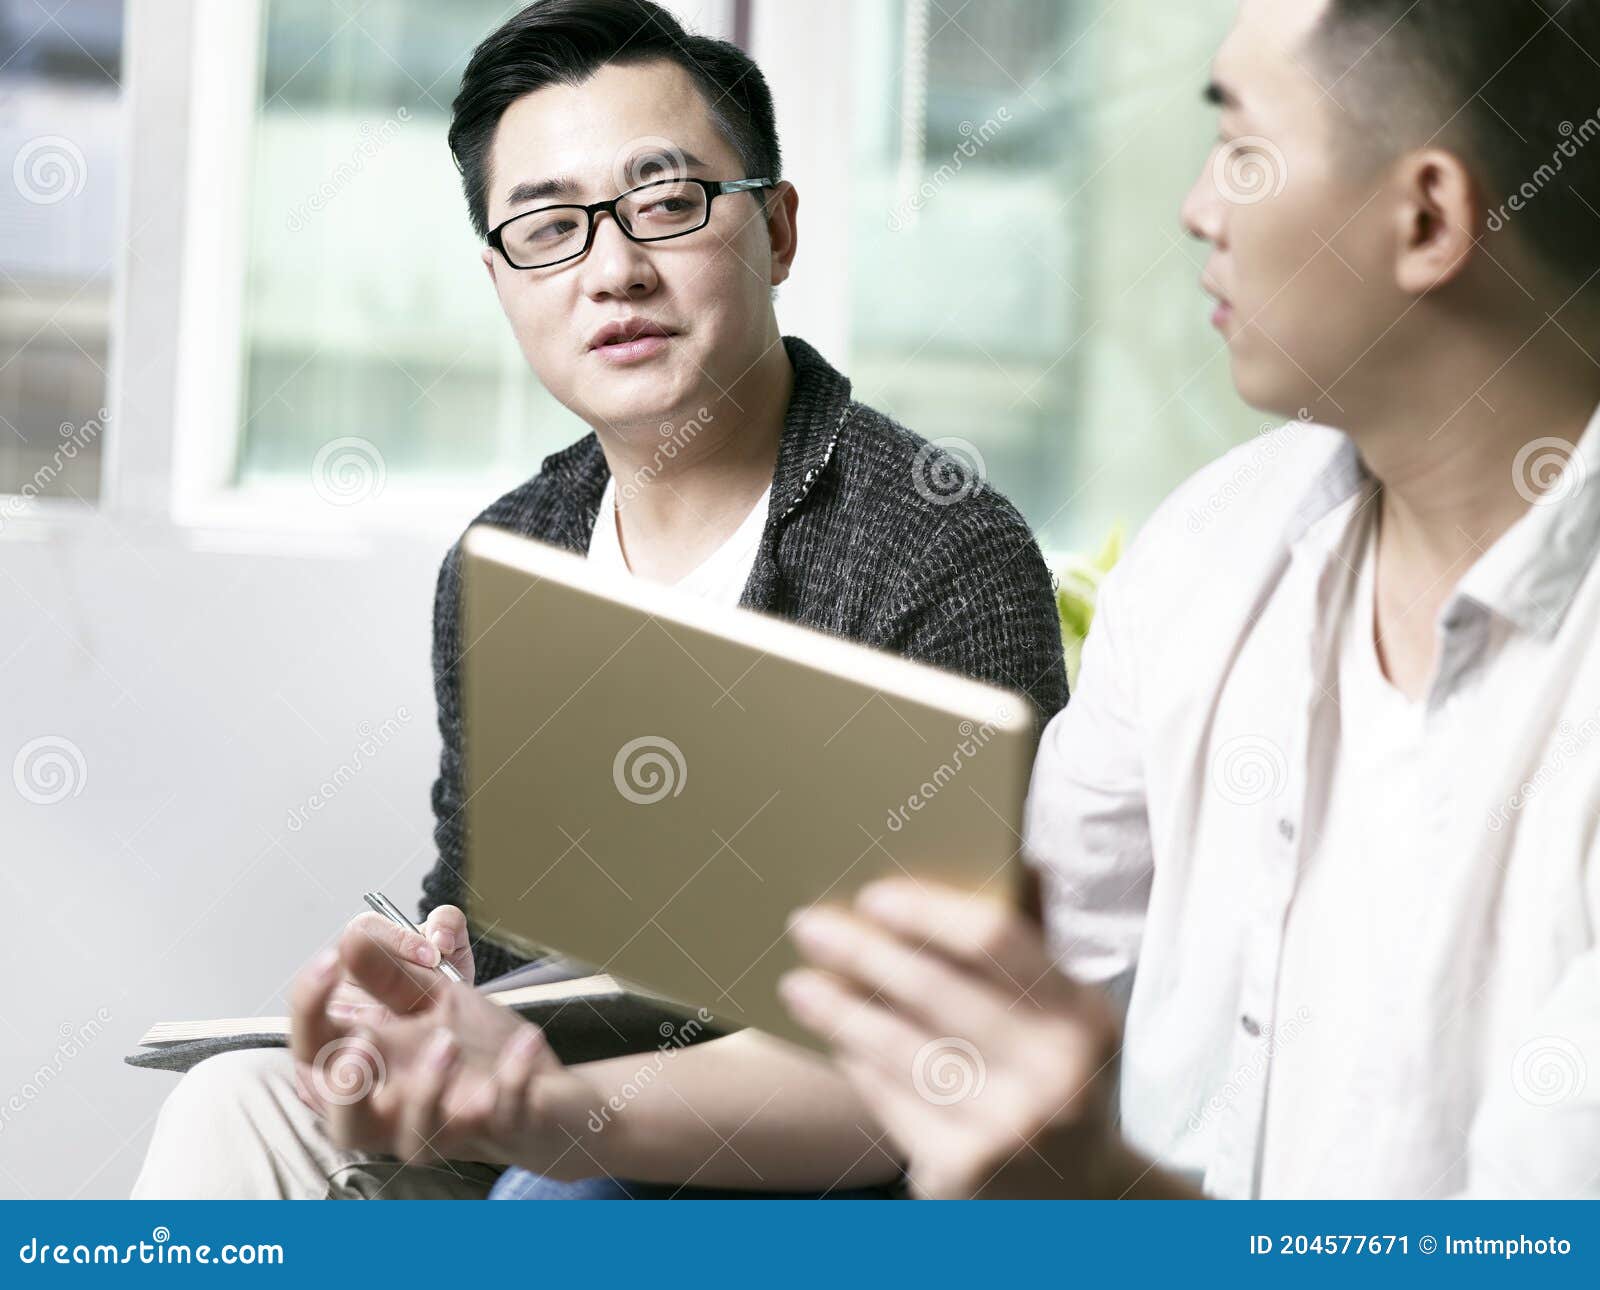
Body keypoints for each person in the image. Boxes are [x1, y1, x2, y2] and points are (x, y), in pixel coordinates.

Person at [131, 0, 1067, 1200]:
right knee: (241, 1108)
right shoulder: (512, 554)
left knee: (558, 1193)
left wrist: (548, 1117)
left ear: (776, 229)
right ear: (499, 275)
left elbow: (935, 1064)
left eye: (668, 203)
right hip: (556, 1117)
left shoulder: (935, 548)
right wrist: (442, 979)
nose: (613, 270)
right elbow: (489, 923)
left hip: (816, 1175)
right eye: (548, 226)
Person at [778, 0, 1600, 1198]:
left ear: (1425, 215)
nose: (1196, 206)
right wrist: (542, 1096)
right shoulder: (1213, 542)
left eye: (1242, 146)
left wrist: (1101, 1200)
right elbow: (1005, 1003)